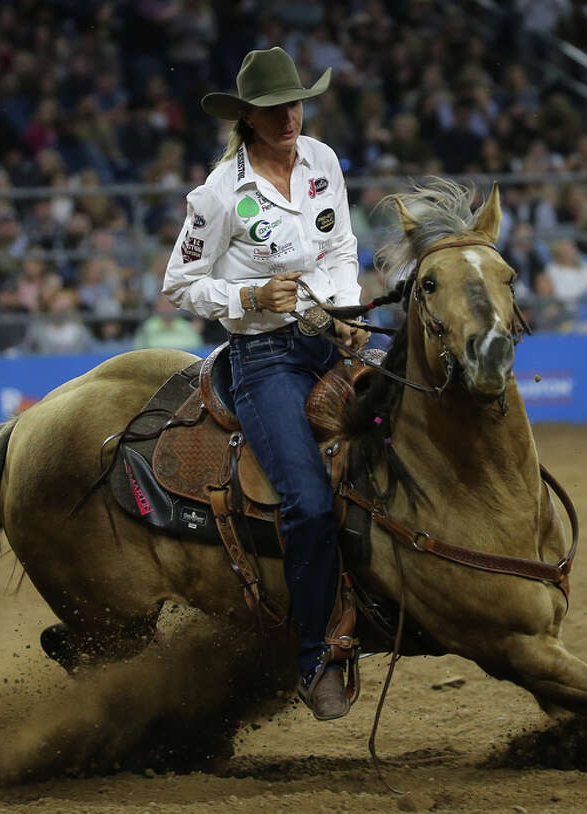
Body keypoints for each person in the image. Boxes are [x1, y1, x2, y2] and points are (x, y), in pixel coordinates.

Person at [162, 47, 367, 721]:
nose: (290, 115)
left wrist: (344, 310)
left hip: (325, 341)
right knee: (307, 502)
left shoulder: (322, 161)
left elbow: (339, 250)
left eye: (297, 102)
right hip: (264, 360)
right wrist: (252, 295)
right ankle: (313, 658)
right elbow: (180, 286)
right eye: (276, 107)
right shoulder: (218, 194)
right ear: (247, 117)